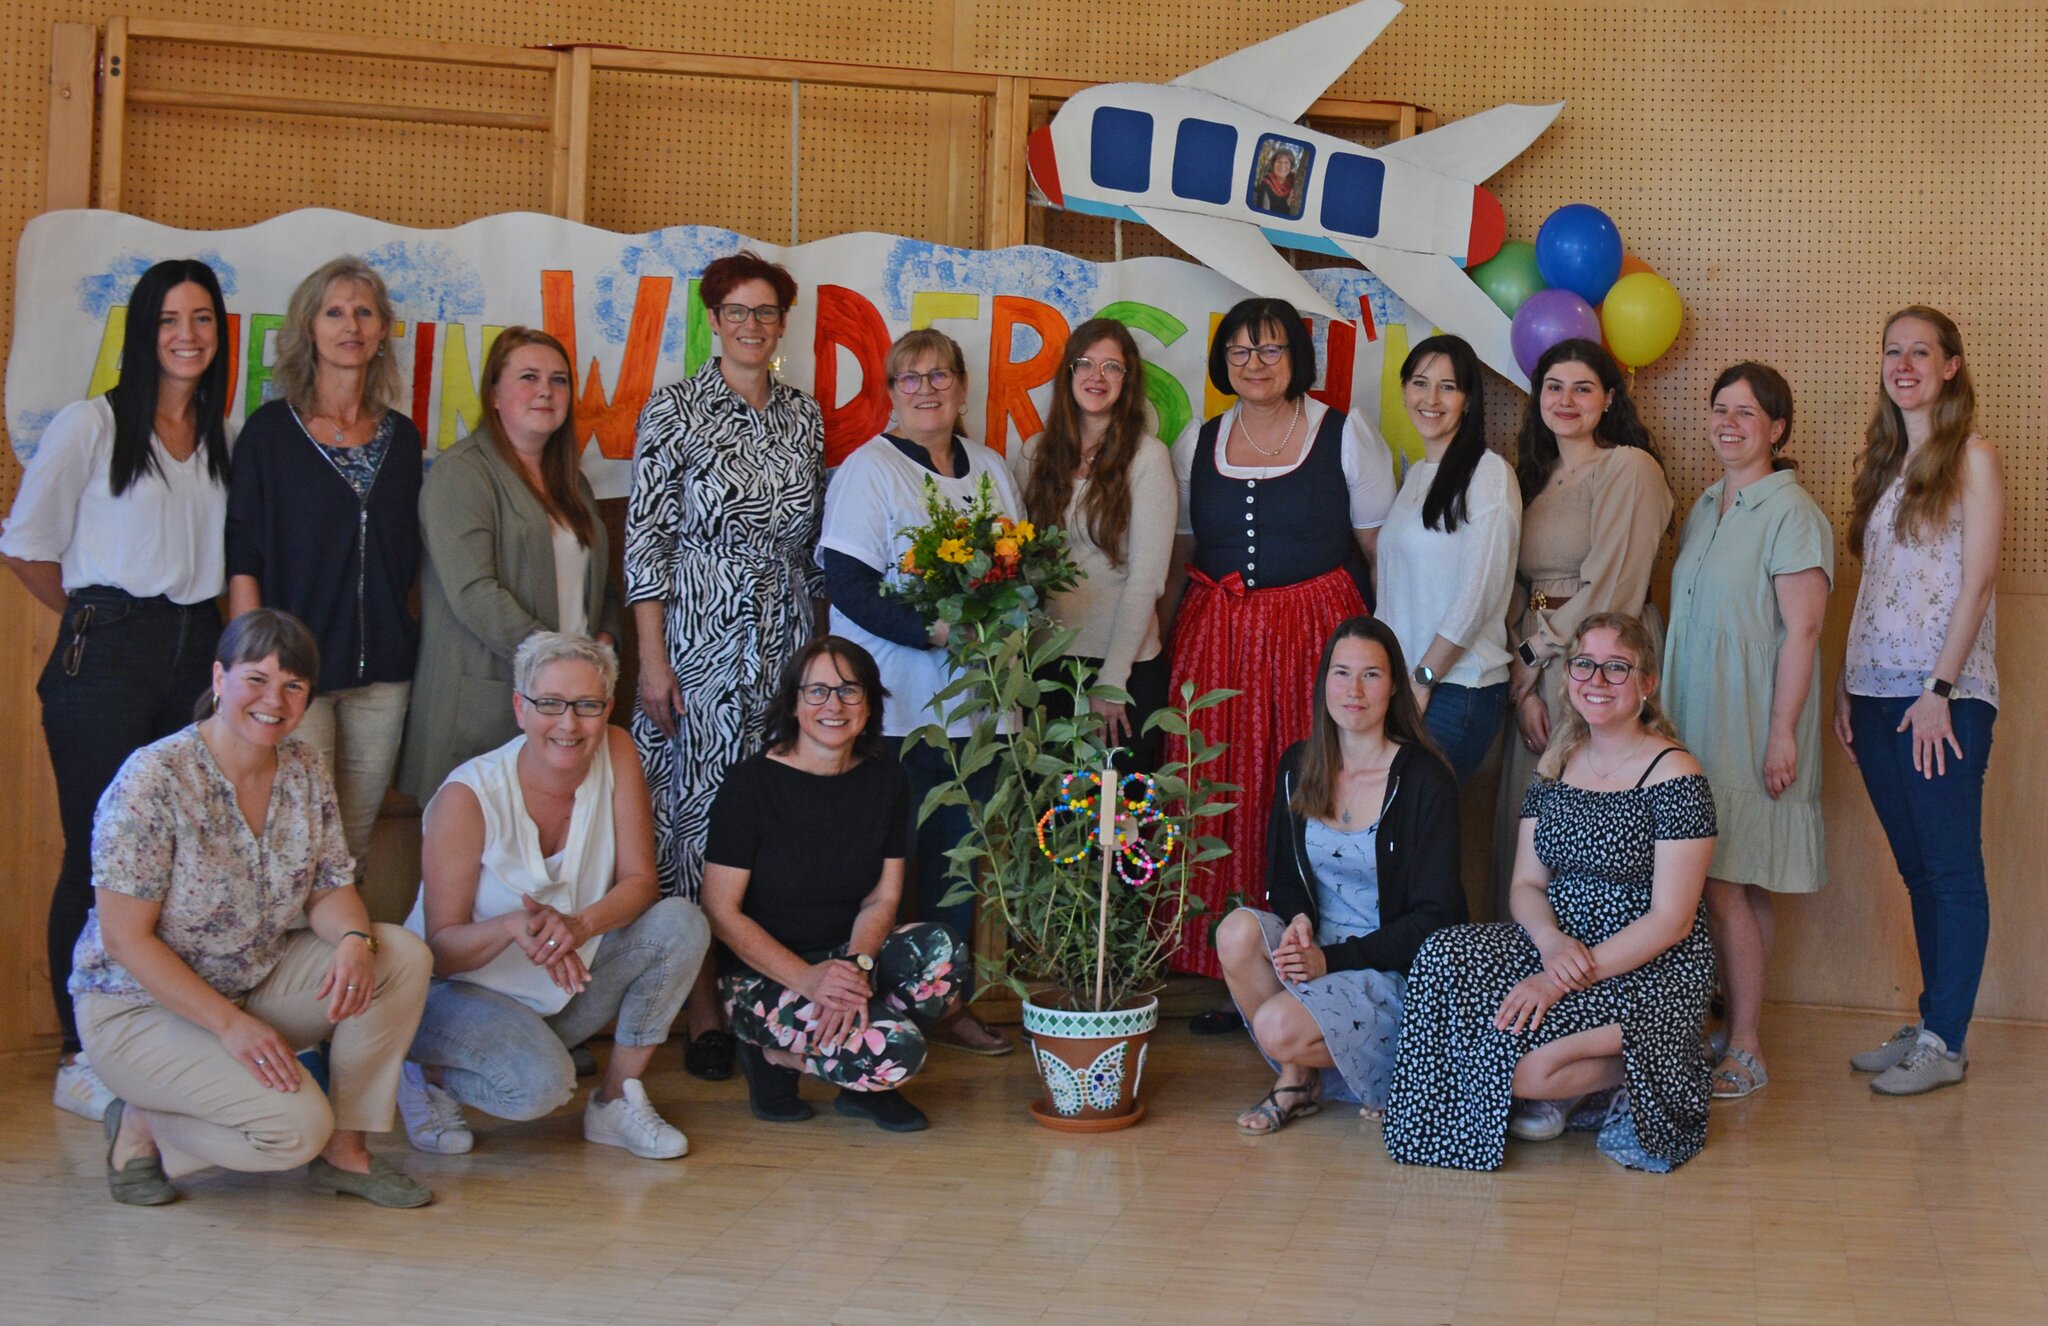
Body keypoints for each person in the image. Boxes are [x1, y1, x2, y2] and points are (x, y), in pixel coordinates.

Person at [68, 609, 434, 1207]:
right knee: (295, 1131)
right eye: (257, 679)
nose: (275, 700)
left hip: (250, 980)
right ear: (219, 678)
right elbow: (125, 940)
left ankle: (346, 1153)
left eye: (293, 685)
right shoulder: (152, 778)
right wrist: (231, 1027)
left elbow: (329, 885)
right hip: (137, 1009)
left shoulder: (304, 767)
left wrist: (353, 941)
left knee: (400, 956)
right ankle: (141, 1121)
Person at [1, 258, 236, 1124]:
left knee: (178, 859)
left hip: (198, 651)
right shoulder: (91, 426)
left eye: (202, 319)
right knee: (99, 855)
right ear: (143, 332)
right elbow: (25, 545)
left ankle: (157, 1044)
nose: (187, 335)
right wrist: (94, 622)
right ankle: (79, 1054)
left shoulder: (222, 434)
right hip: (105, 654)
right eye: (170, 319)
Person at [1385, 613, 1717, 1173]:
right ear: (1568, 676)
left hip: (1648, 966)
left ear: (1647, 682)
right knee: (1443, 954)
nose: (1597, 680)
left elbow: (1672, 921)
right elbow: (1526, 885)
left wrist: (1557, 977)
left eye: (1617, 668)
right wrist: (1550, 944)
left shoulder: (1676, 773)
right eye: (1584, 664)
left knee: (1524, 1073)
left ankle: (1667, 1061)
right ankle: (1433, 1120)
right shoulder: (1557, 761)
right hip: (1559, 943)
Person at [625, 250, 825, 1083]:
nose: (751, 324)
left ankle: (763, 996)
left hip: (785, 642)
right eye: (736, 310)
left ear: (782, 324)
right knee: (698, 820)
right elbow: (647, 541)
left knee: (775, 820)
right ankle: (701, 1004)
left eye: (765, 311)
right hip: (698, 642)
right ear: (713, 320)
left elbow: (812, 549)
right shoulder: (673, 409)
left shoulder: (804, 416)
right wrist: (652, 660)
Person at [399, 631, 710, 1159]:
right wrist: (510, 927)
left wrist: (579, 926)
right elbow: (441, 953)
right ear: (520, 708)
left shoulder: (617, 748)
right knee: (540, 1089)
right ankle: (422, 1074)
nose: (569, 723)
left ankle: (616, 1101)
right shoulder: (466, 797)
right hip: (450, 997)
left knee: (682, 922)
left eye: (587, 705)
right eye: (550, 704)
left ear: (606, 708)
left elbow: (641, 882)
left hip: (559, 983)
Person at [1166, 296, 1396, 999]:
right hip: (1219, 641)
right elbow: (1179, 556)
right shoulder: (1198, 440)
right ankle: (1226, 969)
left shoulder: (1344, 433)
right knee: (1218, 788)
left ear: (1297, 357)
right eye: (1239, 350)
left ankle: (1318, 963)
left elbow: (1379, 554)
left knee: (1308, 786)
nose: (1254, 363)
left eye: (1270, 349)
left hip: (1315, 638)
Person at [817, 328, 1021, 1056]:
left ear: (962, 387)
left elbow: (1014, 569)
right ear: (891, 392)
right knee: (882, 870)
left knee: (955, 867)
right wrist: (932, 631)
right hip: (896, 708)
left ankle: (944, 1003)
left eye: (940, 376)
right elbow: (848, 585)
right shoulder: (869, 469)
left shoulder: (990, 467)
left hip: (976, 710)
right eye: (911, 377)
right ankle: (864, 1010)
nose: (927, 389)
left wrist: (997, 622)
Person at [1834, 307, 2003, 1097]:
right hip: (1874, 695)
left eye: (1920, 352)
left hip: (1942, 698)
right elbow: (1875, 588)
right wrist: (1846, 683)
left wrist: (1939, 689)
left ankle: (1947, 1041)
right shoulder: (1887, 463)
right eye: (1892, 351)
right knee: (1918, 871)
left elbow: (1979, 582)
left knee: (1950, 869)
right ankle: (1931, 1020)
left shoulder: (1972, 455)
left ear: (1950, 366)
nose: (1903, 364)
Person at [702, 637, 971, 1132]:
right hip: (765, 976)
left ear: (869, 704)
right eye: (818, 691)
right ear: (793, 703)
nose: (834, 705)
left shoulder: (887, 779)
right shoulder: (750, 784)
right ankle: (774, 1058)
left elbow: (882, 897)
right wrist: (808, 979)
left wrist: (855, 966)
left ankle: (857, 1082)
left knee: (941, 948)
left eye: (849, 690)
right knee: (899, 1053)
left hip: (847, 959)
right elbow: (720, 911)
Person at [1214, 617, 1464, 1133]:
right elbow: (1282, 878)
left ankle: (1396, 1071)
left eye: (1371, 675)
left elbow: (1437, 917)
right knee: (1236, 931)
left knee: (1275, 1025)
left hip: (1387, 970)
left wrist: (1331, 960)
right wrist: (1299, 919)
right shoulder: (1299, 765)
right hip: (1317, 954)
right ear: (1323, 681)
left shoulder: (1424, 779)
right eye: (1342, 673)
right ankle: (1298, 1079)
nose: (1354, 690)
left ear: (1394, 688)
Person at [1662, 363, 1831, 1100]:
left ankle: (1747, 1046)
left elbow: (1804, 633)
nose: (1728, 423)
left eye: (1747, 413)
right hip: (1694, 717)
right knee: (1722, 882)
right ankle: (1731, 1029)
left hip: (1750, 720)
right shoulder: (1707, 505)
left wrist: (1782, 733)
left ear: (1777, 428)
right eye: (1720, 408)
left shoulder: (1793, 513)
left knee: (1728, 882)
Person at [227, 256, 422, 878]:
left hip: (382, 677)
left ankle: (346, 945)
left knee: (352, 847)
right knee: (297, 845)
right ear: (309, 328)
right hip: (294, 674)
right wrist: (251, 664)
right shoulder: (269, 435)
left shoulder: (403, 438)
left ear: (383, 329)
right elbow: (243, 555)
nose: (351, 326)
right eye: (334, 312)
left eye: (365, 312)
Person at [400, 328, 623, 802]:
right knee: (477, 839)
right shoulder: (461, 473)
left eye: (559, 380)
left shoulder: (573, 484)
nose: (546, 390)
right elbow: (474, 592)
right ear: (494, 395)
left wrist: (603, 645)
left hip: (567, 708)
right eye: (529, 377)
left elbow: (601, 586)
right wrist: (557, 667)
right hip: (484, 703)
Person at [1493, 338, 1671, 917]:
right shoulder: (1533, 480)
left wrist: (1534, 651)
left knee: (1594, 816)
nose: (1566, 400)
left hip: (1599, 661)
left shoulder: (1627, 467)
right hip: (1536, 665)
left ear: (1610, 398)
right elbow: (1515, 584)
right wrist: (1522, 687)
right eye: (1554, 387)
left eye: (1583, 388)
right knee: (1534, 819)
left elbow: (1616, 588)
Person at [1010, 317, 1176, 766]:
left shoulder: (1148, 458)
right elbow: (1018, 564)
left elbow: (1147, 580)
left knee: (1113, 807)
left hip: (1119, 669)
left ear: (1128, 378)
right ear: (1068, 372)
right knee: (1047, 803)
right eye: (1085, 363)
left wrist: (1112, 681)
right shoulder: (1033, 453)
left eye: (1111, 367)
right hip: (1045, 665)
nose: (1096, 376)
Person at [1373, 334, 1521, 781]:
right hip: (1405, 686)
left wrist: (1424, 678)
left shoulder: (1489, 473)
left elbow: (1477, 595)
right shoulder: (1417, 475)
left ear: (1468, 399)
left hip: (1457, 688)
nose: (1431, 399)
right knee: (1399, 817)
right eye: (1420, 383)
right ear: (1404, 390)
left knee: (1406, 809)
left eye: (1448, 387)